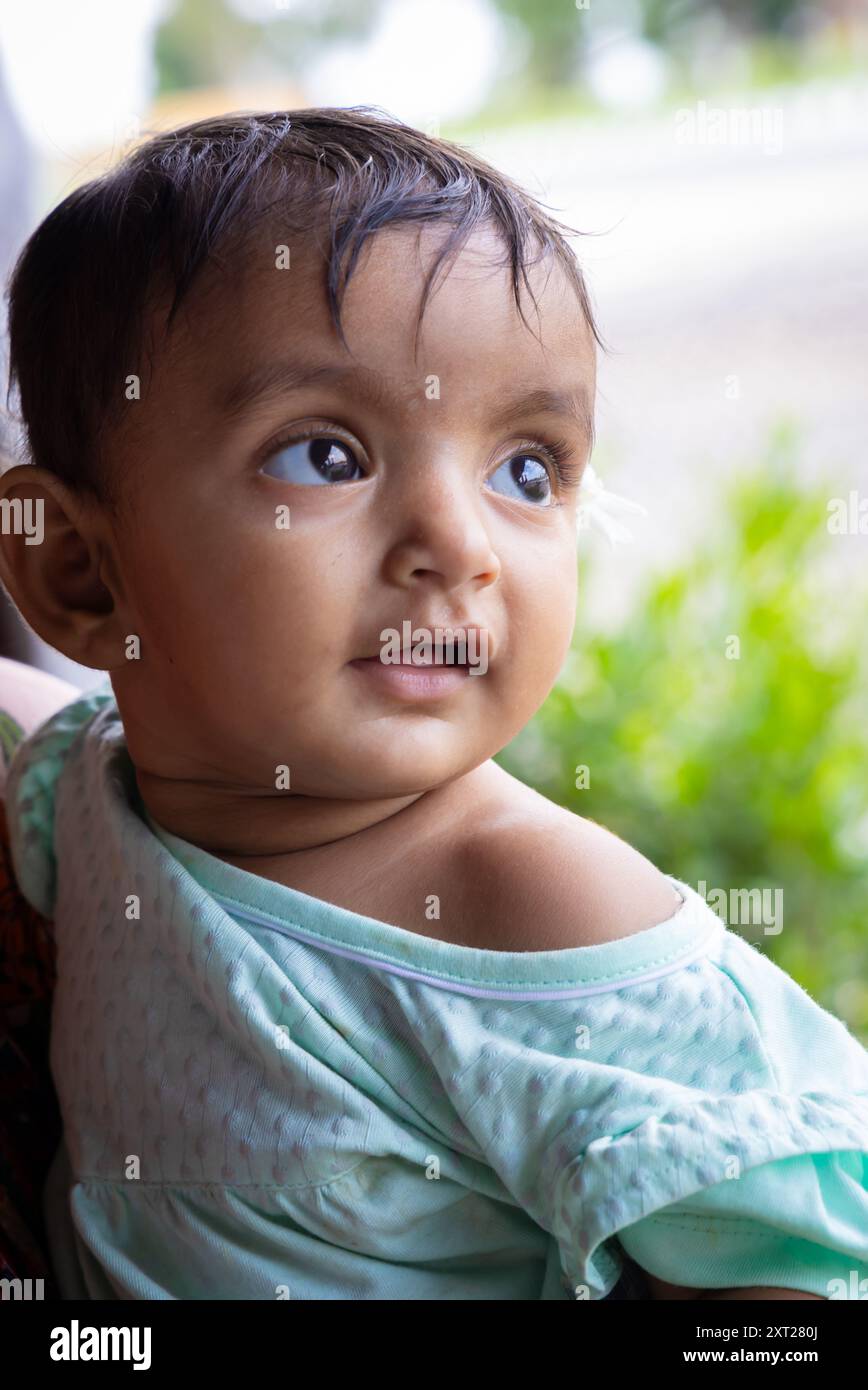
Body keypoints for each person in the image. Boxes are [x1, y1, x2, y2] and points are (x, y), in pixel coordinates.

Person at [0, 108, 865, 1301]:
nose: (460, 546)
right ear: (78, 574)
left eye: (526, 470)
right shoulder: (90, 799)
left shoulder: (532, 909)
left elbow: (795, 1270)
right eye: (326, 455)